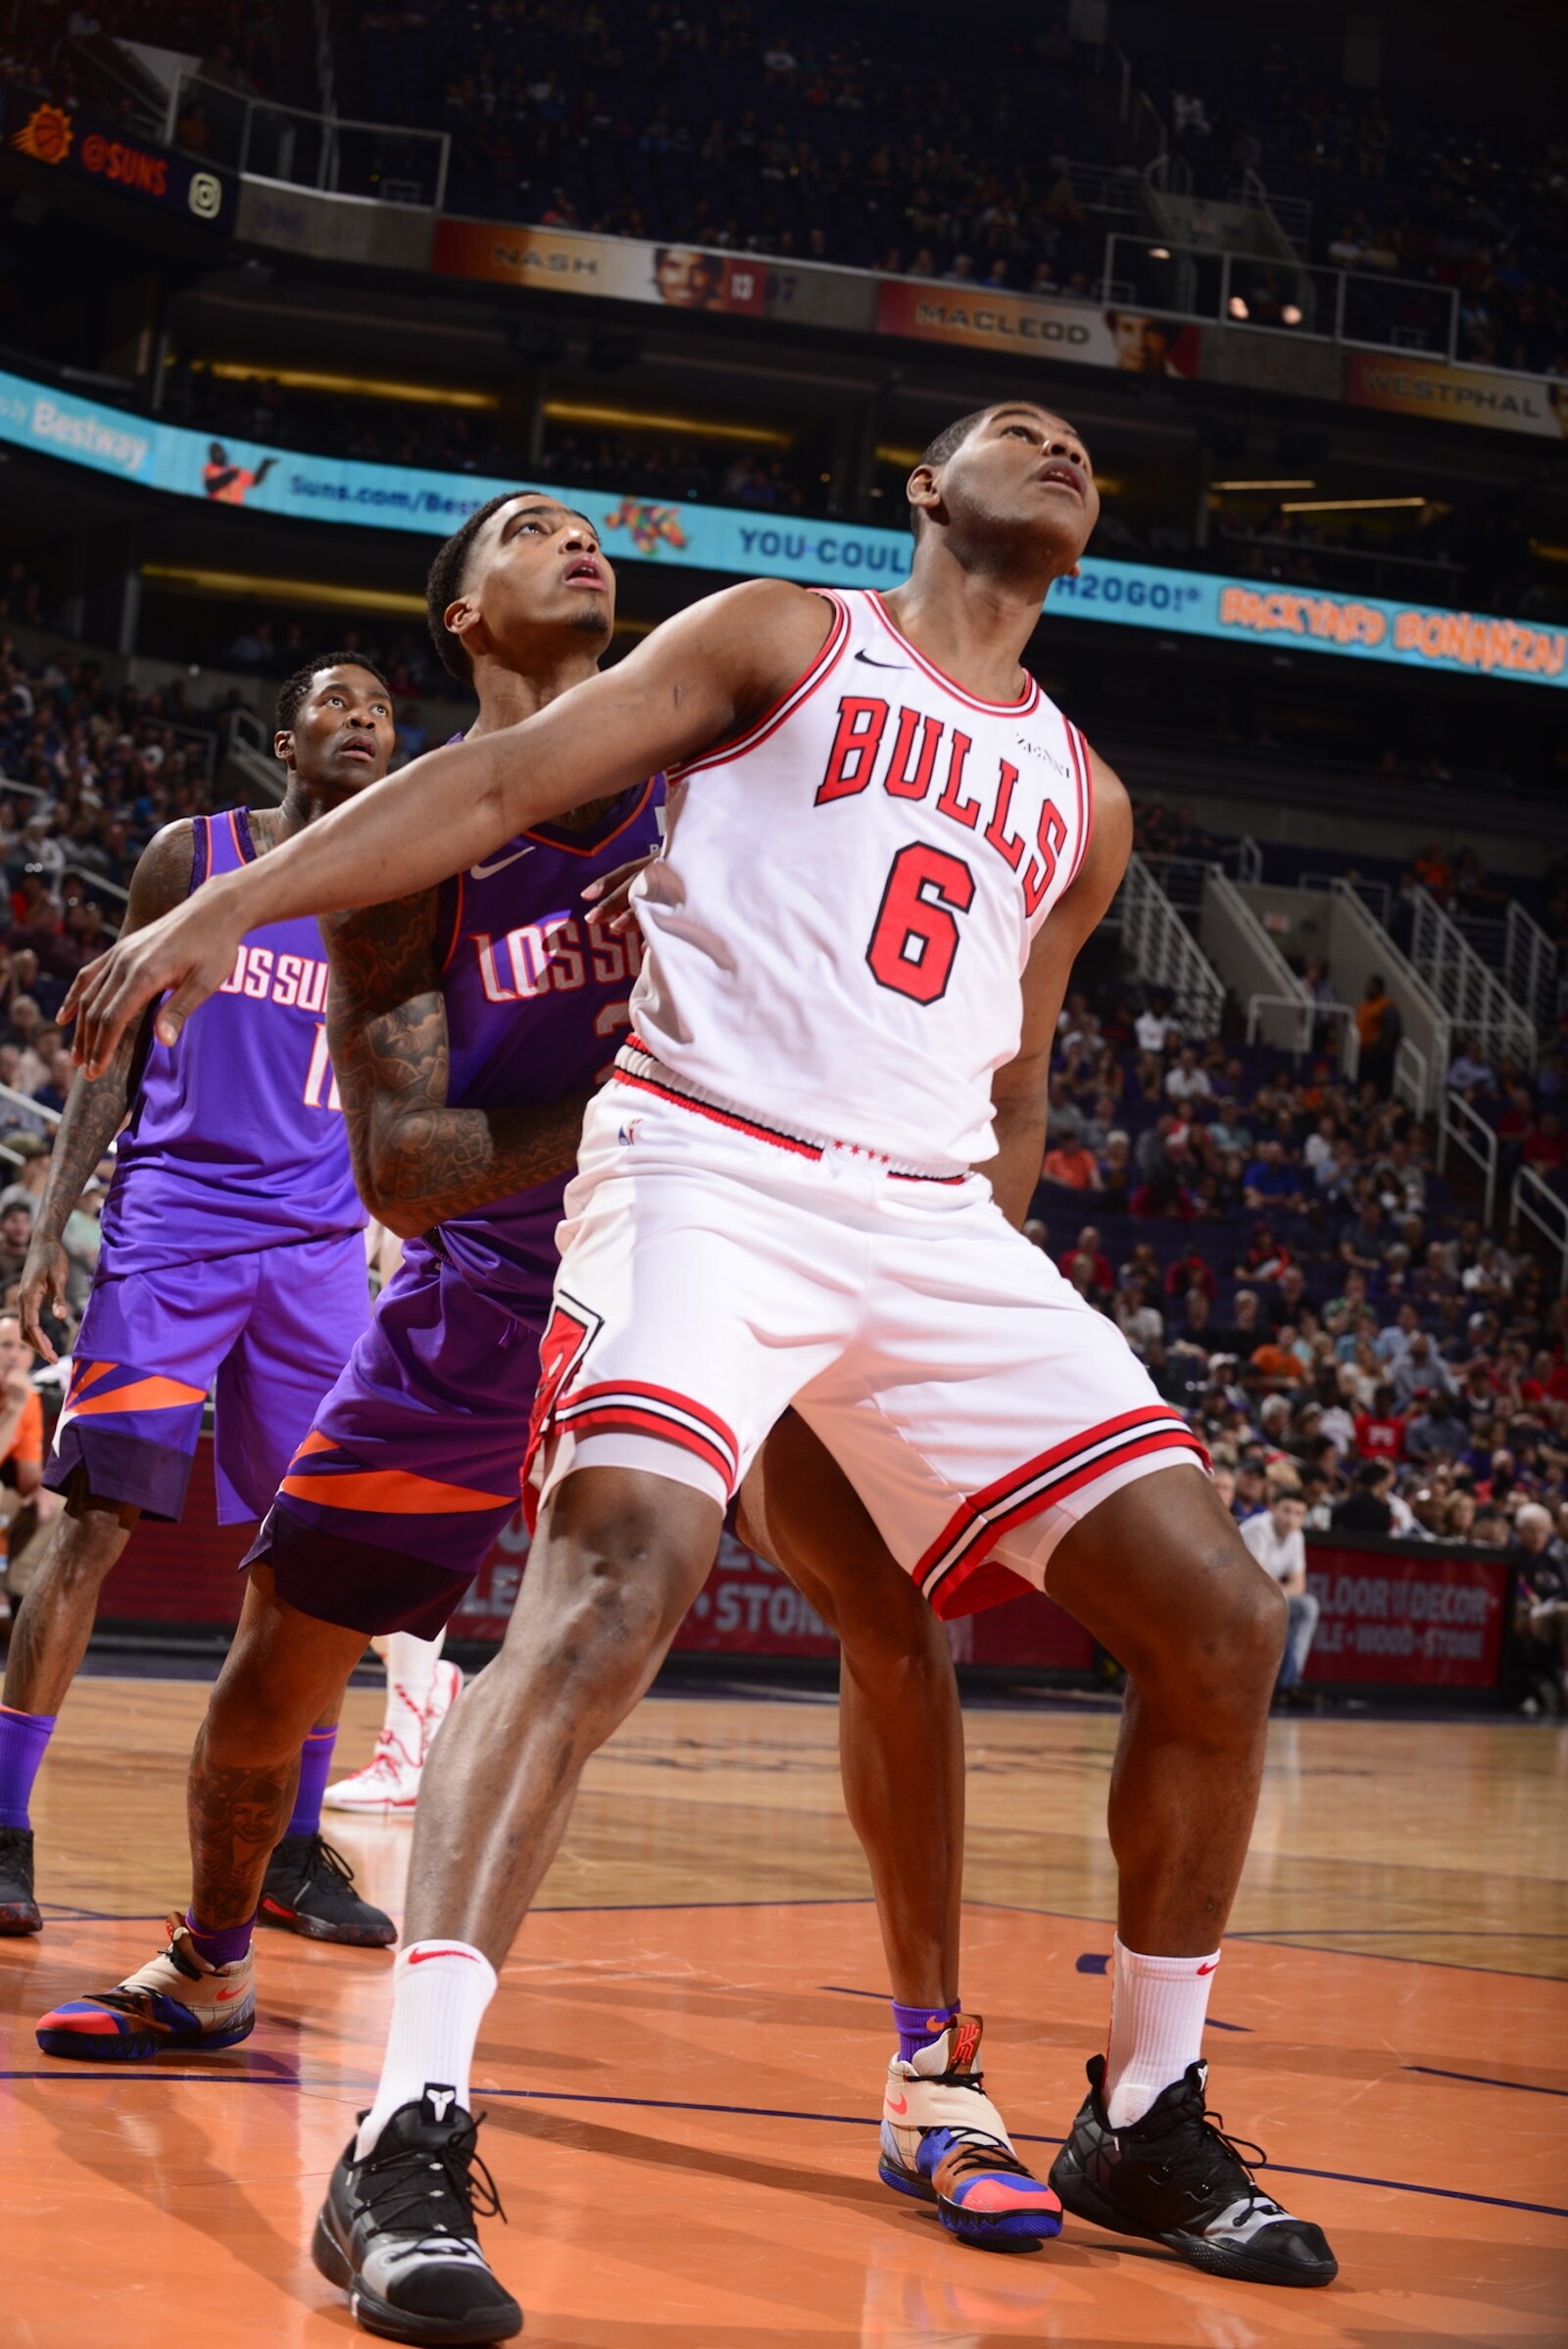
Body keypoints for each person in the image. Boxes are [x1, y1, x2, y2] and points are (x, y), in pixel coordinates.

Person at [64, 402, 1336, 2332]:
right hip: (701, 1169)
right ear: (918, 489)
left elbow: (1017, 1073)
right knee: (609, 1581)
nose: (1055, 445)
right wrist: (222, 903)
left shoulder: (1083, 796)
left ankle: (1141, 2110)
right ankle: (400, 2127)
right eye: (1010, 426)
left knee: (1216, 1617)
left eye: (1082, 440)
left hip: (926, 1226)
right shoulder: (775, 636)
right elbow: (492, 793)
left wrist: (976, 1276)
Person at [40, 501, 1060, 2251]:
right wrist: (677, 1103)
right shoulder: (419, 846)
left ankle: (932, 2067)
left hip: (744, 1263)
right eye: (529, 530)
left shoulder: (733, 759)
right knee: (282, 1644)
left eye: (592, 530)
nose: (579, 545)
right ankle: (216, 1954)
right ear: (462, 614)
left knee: (893, 1625)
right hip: (492, 1291)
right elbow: (406, 1166)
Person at [0, 657, 404, 1946]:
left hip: (322, 1258)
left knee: (319, 1558)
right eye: (336, 702)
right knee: (92, 1524)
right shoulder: (196, 856)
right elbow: (107, 1049)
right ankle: (3, 1826)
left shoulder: (404, 886)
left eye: (385, 710)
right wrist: (55, 1219)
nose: (363, 721)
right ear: (282, 736)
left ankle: (286, 1855)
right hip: (177, 1233)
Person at [1238, 1483, 1318, 1696]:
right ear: (1273, 1508)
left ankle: (1293, 1681)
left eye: (1298, 1513)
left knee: (1307, 1606)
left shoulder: (1296, 1535)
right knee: (1279, 1608)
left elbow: (1299, 1585)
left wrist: (1279, 1591)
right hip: (1235, 1595)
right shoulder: (1259, 1528)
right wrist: (1280, 1591)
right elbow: (1259, 1580)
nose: (1291, 1518)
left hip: (1268, 1597)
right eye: (1287, 1511)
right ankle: (1280, 1684)